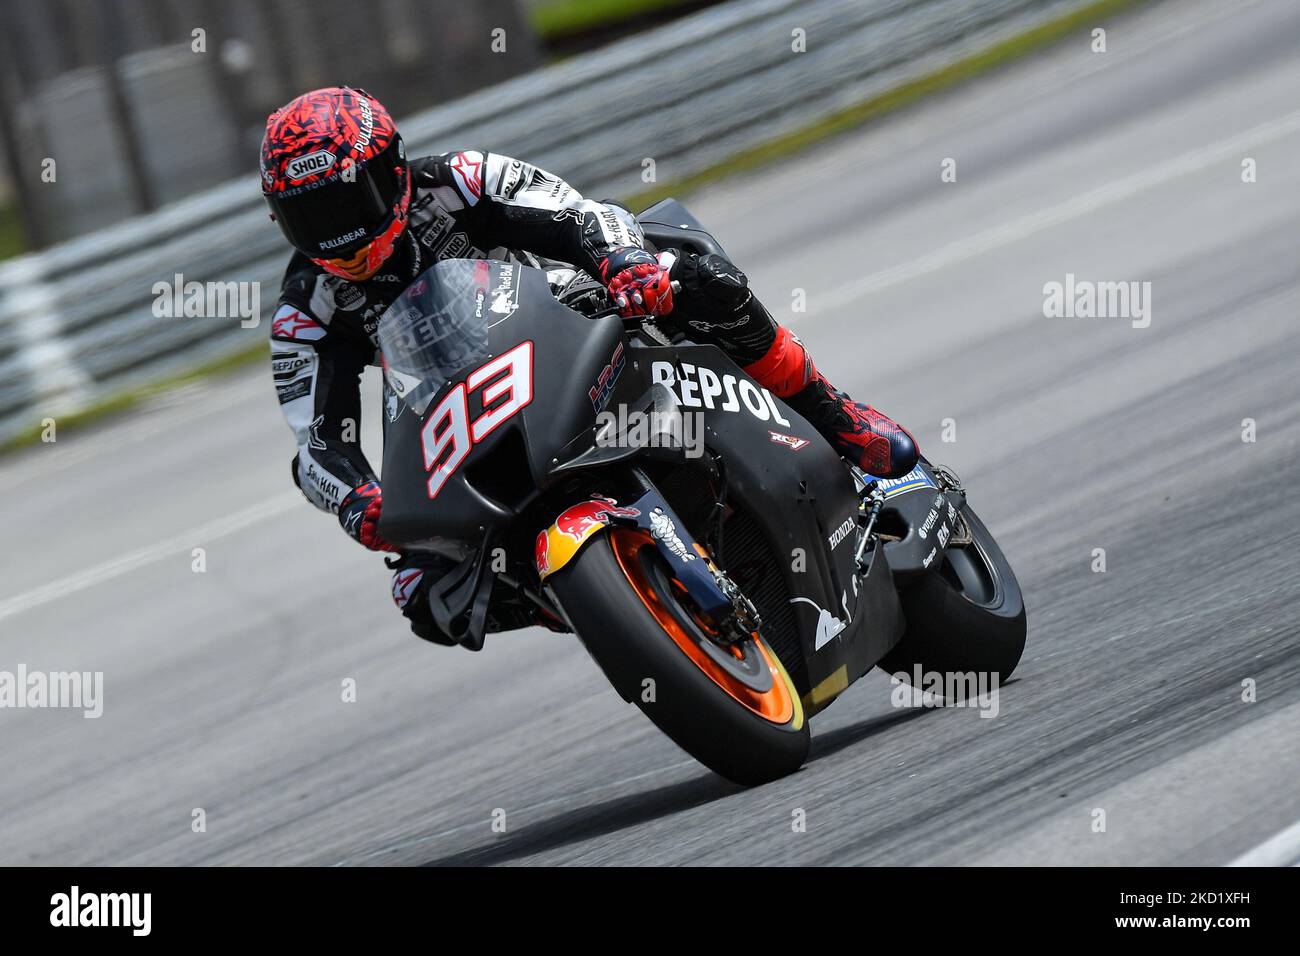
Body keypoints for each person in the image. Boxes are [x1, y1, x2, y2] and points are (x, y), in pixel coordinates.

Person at [262, 87, 918, 641]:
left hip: (575, 325)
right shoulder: (304, 311)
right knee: (421, 593)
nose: (339, 234)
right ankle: (618, 608)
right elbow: (316, 443)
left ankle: (838, 421)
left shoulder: (458, 181)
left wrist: (625, 265)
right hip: (467, 421)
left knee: (697, 277)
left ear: (393, 170)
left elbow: (579, 215)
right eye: (309, 216)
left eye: (350, 203)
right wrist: (359, 501)